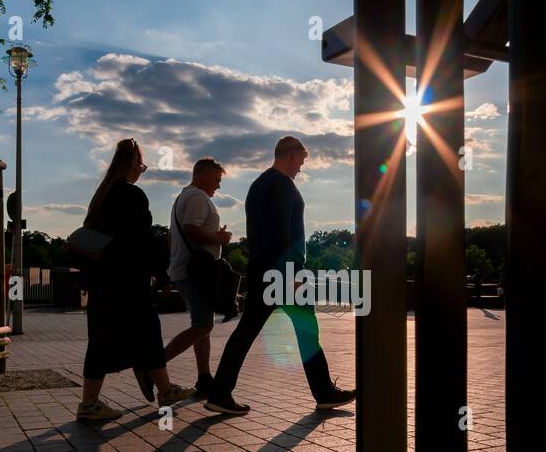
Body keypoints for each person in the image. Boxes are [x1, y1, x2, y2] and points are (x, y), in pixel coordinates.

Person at [204, 136, 356, 416]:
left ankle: (220, 391)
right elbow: (282, 235)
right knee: (306, 328)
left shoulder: (259, 184)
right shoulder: (282, 185)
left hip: (263, 269)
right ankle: (323, 392)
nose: (301, 166)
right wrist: (293, 272)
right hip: (283, 274)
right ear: (290, 155)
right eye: (301, 160)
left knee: (247, 331)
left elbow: (265, 235)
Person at [77, 138, 193, 422]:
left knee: (106, 337)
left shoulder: (102, 195)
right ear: (132, 164)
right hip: (128, 280)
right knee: (146, 331)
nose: (142, 170)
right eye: (141, 164)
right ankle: (159, 391)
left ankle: (92, 402)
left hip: (103, 280)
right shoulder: (132, 195)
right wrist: (163, 274)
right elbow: (143, 241)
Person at [162, 157, 236, 398]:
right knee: (203, 325)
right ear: (202, 175)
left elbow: (174, 236)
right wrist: (219, 238)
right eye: (216, 179)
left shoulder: (183, 197)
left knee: (201, 324)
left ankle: (204, 378)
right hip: (195, 272)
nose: (218, 185)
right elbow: (190, 229)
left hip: (184, 269)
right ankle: (154, 366)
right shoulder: (197, 198)